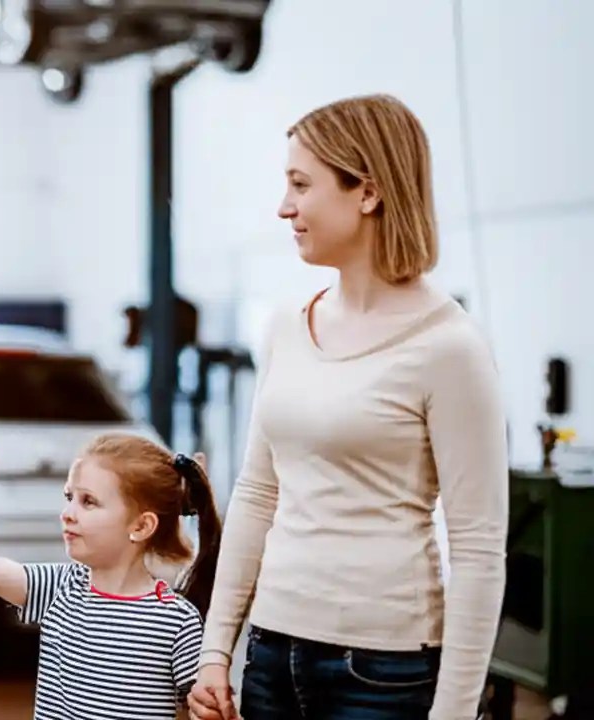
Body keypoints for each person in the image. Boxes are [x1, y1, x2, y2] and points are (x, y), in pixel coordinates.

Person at [187, 94, 508, 720]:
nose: (285, 207)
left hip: (384, 669)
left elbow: (477, 546)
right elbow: (256, 494)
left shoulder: (449, 347)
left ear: (367, 192)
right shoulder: (285, 325)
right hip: (272, 655)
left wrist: (456, 711)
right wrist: (216, 651)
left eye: (301, 185)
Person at [0, 432, 222, 719]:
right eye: (69, 497)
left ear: (141, 526)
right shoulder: (59, 588)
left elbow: (203, 710)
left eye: (89, 502)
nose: (67, 513)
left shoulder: (175, 620)